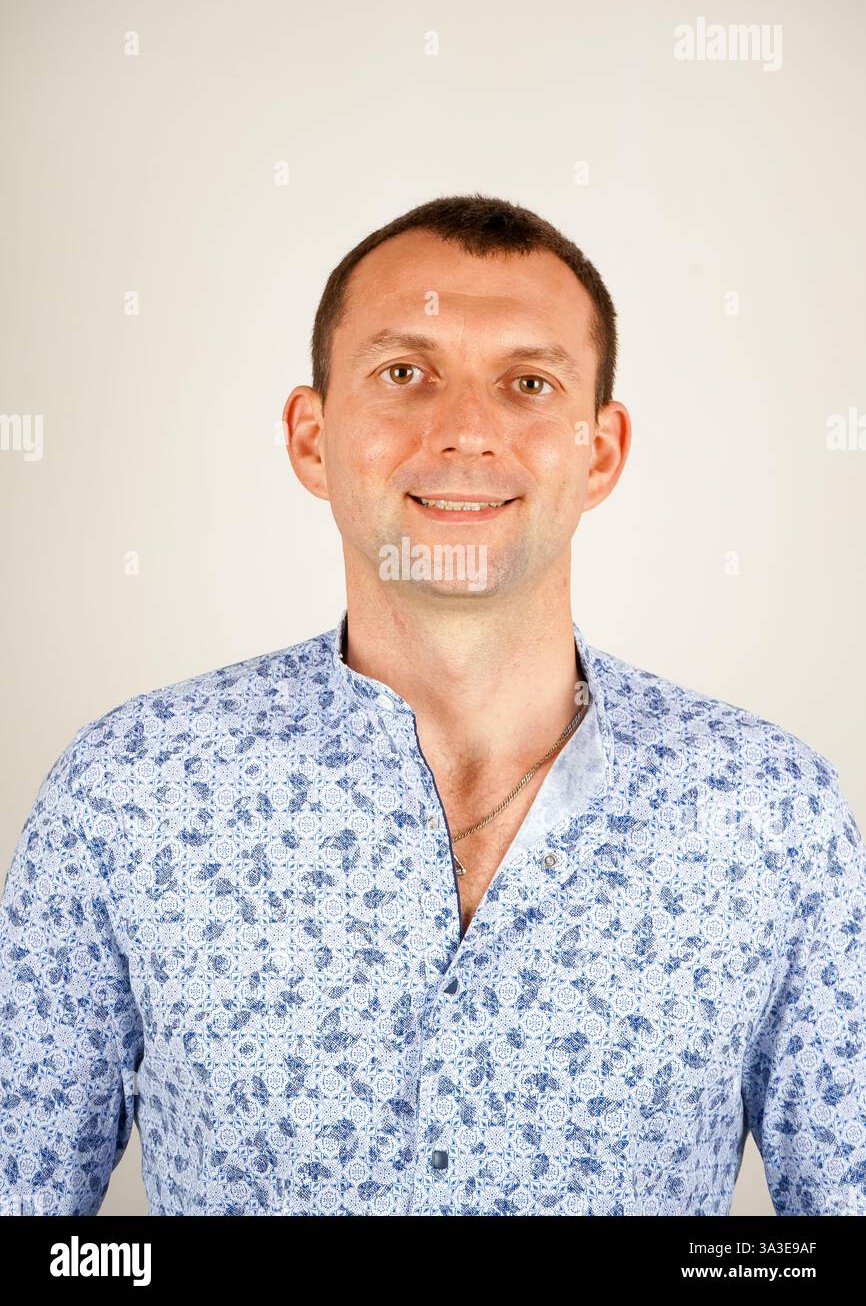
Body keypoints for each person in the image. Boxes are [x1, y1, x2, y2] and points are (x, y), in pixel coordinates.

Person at [1, 194, 864, 1217]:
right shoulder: (127, 792)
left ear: (599, 452)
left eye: (528, 383)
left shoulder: (769, 815)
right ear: (312, 437)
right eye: (403, 372)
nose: (463, 430)